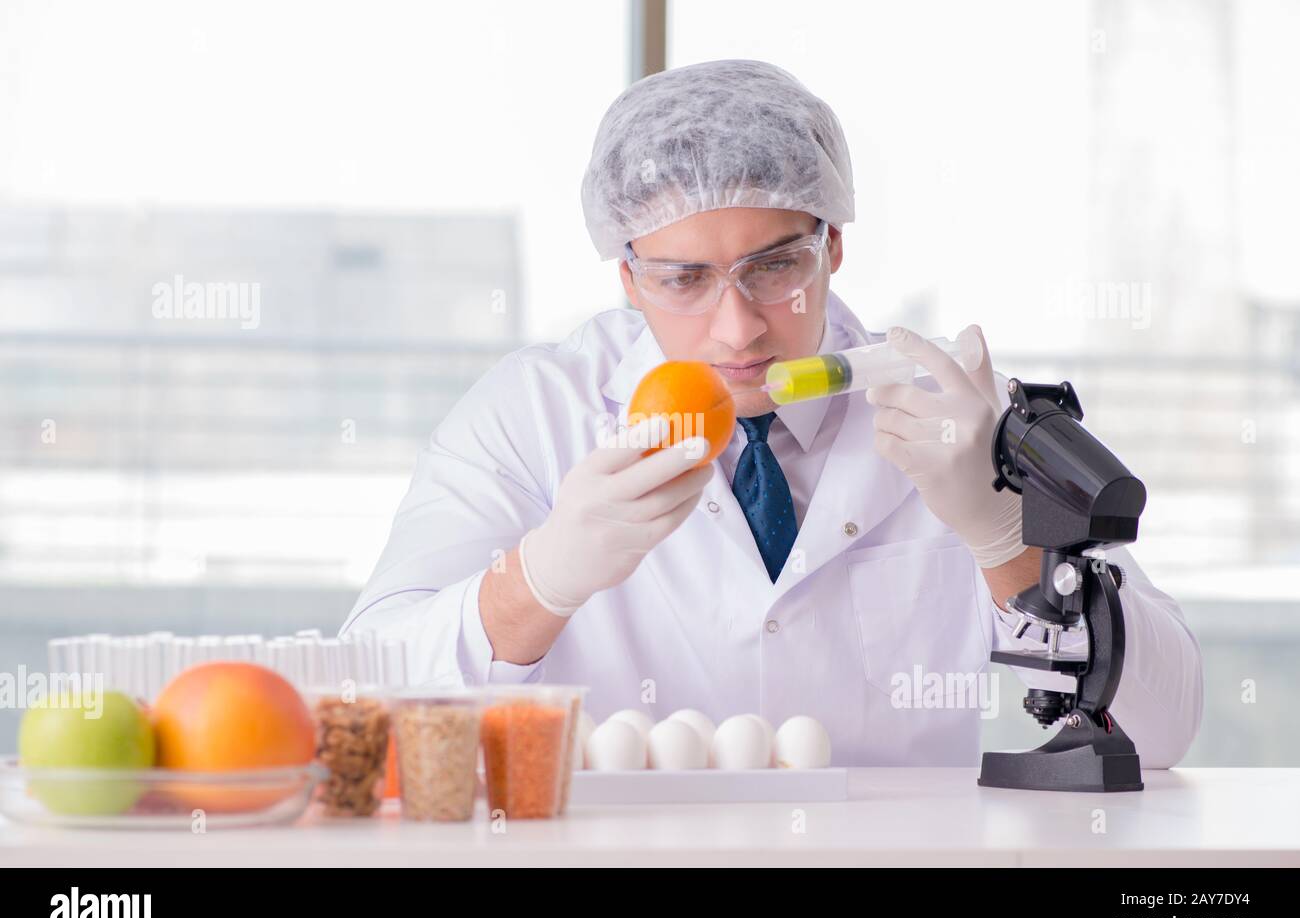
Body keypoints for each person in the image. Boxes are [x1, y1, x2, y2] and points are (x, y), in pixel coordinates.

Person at [342, 60, 1202, 767]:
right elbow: (364, 702)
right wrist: (540, 578)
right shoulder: (530, 416)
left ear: (833, 245)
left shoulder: (955, 411)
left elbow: (1165, 730)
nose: (738, 326)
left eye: (775, 265)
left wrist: (1005, 540)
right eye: (683, 279)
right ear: (627, 275)